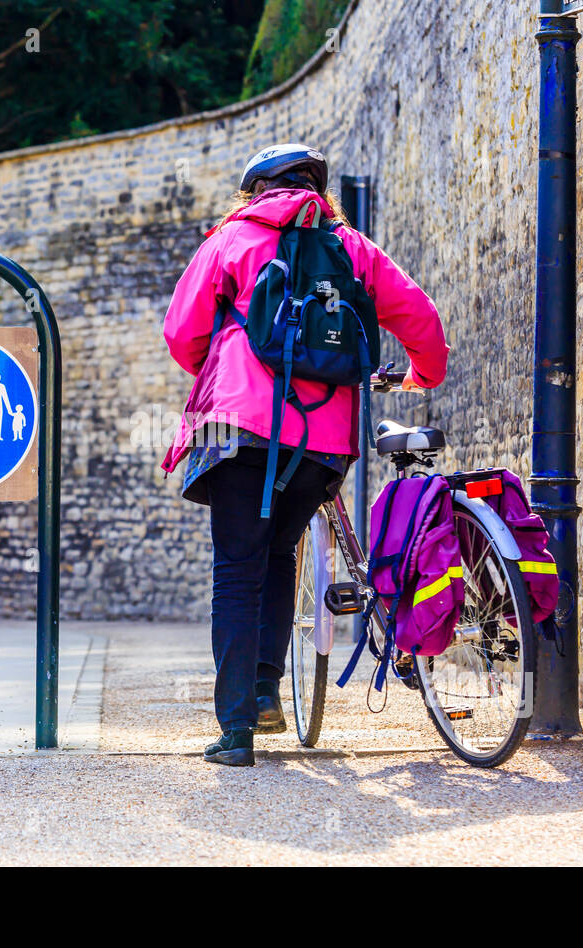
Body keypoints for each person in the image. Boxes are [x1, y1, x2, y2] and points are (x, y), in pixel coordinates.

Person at [160, 143, 450, 766]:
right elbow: (421, 319)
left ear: (253, 190)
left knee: (237, 566)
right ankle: (266, 691)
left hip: (237, 428)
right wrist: (423, 377)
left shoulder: (230, 240)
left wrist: (218, 370)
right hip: (323, 443)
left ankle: (236, 731)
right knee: (279, 551)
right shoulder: (352, 249)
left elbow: (180, 332)